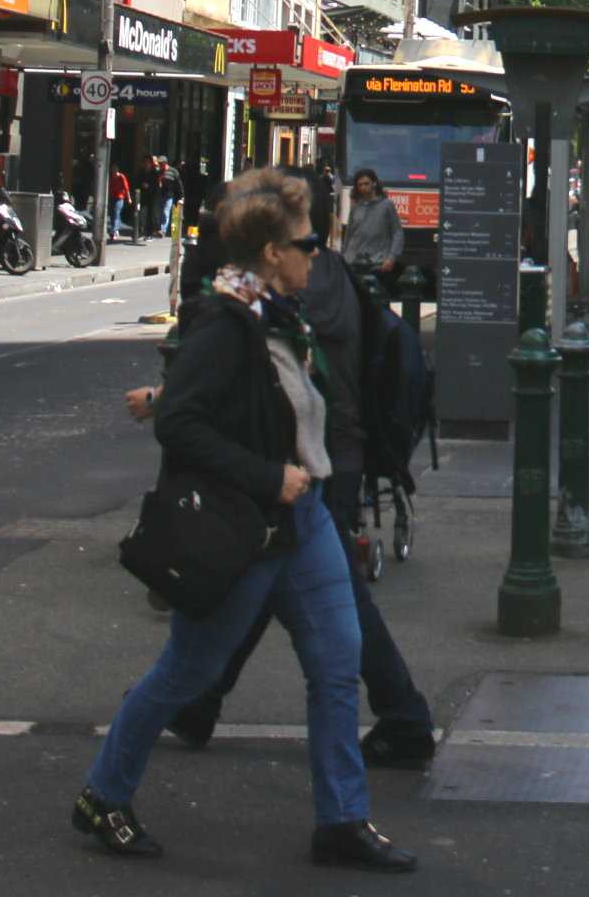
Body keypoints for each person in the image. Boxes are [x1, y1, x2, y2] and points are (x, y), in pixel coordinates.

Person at [77, 187, 414, 870]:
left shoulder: (272, 311)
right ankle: (102, 795)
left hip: (305, 516)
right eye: (308, 246)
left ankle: (342, 820)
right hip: (251, 525)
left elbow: (253, 396)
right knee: (187, 672)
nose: (317, 258)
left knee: (337, 667)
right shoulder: (224, 321)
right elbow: (185, 425)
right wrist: (267, 476)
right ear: (271, 253)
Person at [133, 171, 439, 776]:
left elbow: (261, 376)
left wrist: (177, 395)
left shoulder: (293, 289)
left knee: (315, 603)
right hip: (318, 459)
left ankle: (401, 718)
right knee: (275, 591)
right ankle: (206, 706)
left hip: (315, 461)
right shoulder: (310, 283)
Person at [341, 168, 404, 286]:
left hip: (378, 262)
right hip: (354, 262)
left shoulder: (386, 205)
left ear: (374, 183)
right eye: (360, 185)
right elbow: (349, 234)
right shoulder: (356, 207)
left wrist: (391, 258)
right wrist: (344, 257)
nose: (364, 187)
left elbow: (397, 232)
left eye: (366, 183)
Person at [110, 165, 133, 240]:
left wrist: (129, 198)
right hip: (112, 197)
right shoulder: (111, 177)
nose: (114, 170)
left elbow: (126, 188)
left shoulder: (121, 177)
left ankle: (114, 231)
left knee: (116, 213)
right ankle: (115, 229)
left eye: (115, 168)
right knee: (113, 214)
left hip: (120, 197)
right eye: (113, 168)